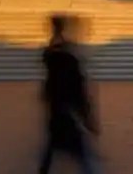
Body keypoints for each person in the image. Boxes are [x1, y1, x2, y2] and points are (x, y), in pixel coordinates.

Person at [39, 16, 99, 174]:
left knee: (52, 150)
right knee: (82, 156)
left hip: (57, 115)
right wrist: (88, 118)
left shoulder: (53, 65)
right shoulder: (69, 64)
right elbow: (79, 93)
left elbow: (49, 90)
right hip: (68, 117)